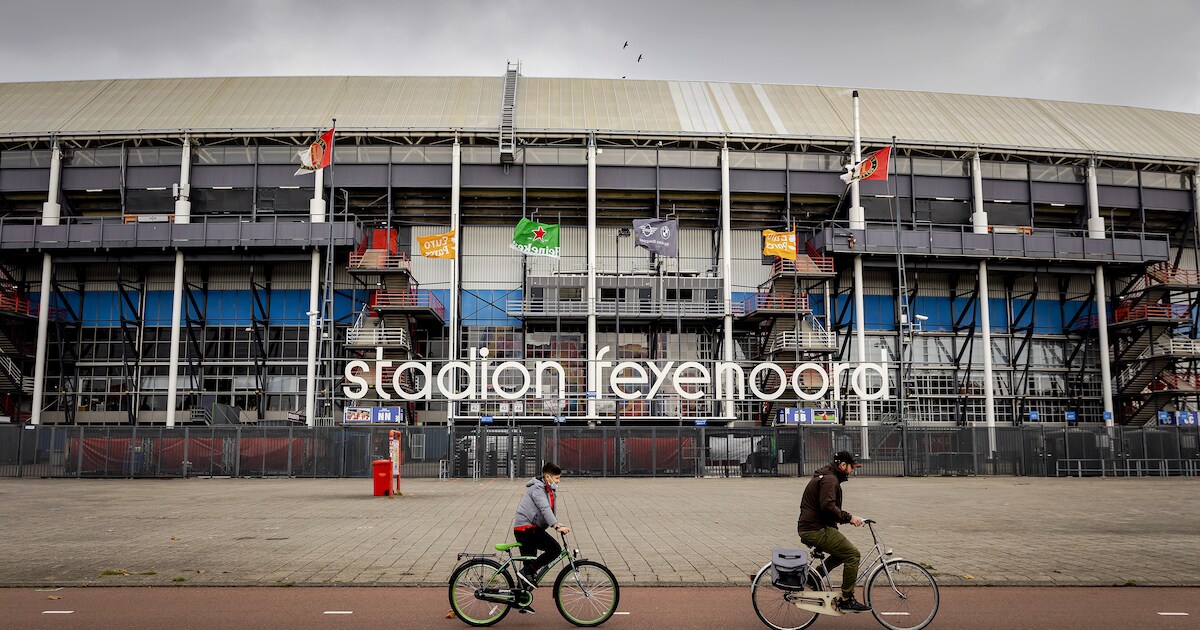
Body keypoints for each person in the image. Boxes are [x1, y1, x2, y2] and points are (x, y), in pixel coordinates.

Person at [796, 450, 871, 613]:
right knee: (853, 554)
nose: (853, 471)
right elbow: (828, 507)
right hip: (815, 529)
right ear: (843, 465)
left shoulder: (828, 476)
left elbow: (827, 508)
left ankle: (813, 577)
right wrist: (849, 518)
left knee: (841, 552)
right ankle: (847, 599)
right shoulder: (830, 480)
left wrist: (844, 518)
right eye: (852, 467)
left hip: (813, 526)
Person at [511, 462, 571, 613]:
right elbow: (544, 508)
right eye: (556, 478)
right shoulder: (537, 489)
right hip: (526, 529)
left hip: (530, 528)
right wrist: (556, 526)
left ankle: (521, 600)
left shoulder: (548, 489)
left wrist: (556, 523)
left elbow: (549, 511)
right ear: (547, 477)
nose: (558, 481)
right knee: (555, 549)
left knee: (529, 570)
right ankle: (528, 572)